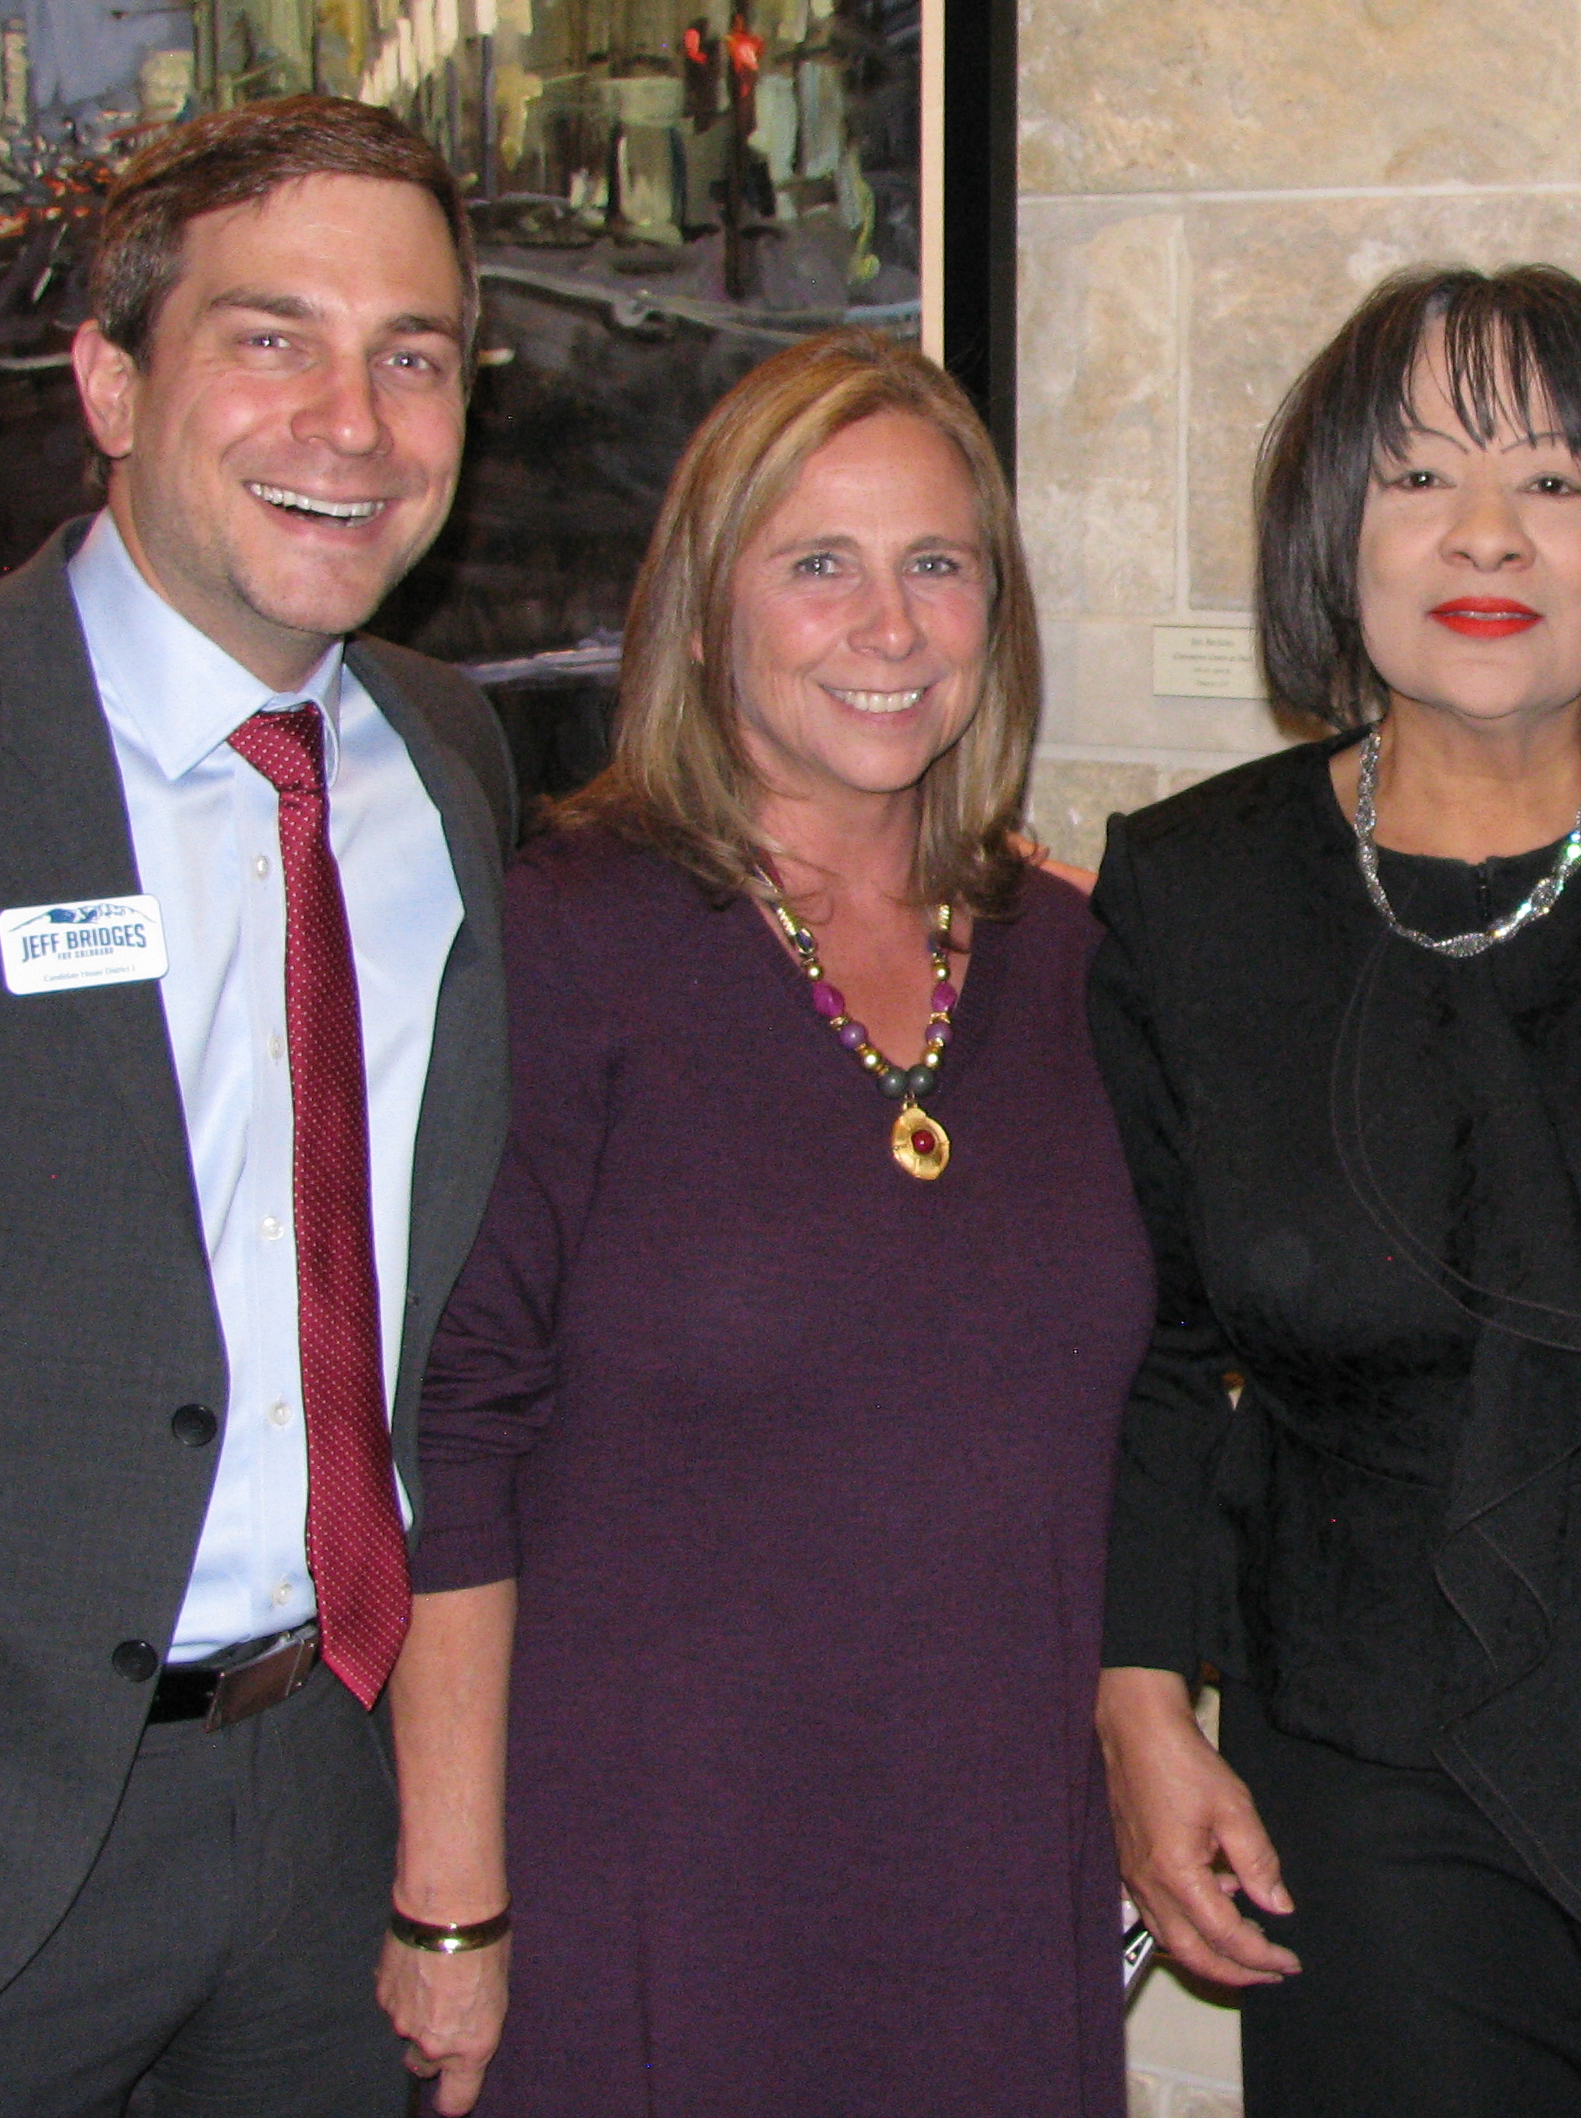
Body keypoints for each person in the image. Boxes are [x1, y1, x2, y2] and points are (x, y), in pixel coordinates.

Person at [1090, 266, 1581, 2118]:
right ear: (1330, 543)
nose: (1488, 533)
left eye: (1560, 480)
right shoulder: (1193, 894)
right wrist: (1135, 1707)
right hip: (1353, 1752)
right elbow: (1163, 1351)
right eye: (1417, 479)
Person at [374, 330, 1153, 2115]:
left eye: (936, 565)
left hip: (991, 1884)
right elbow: (451, 1428)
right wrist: (451, 1899)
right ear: (705, 610)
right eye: (819, 564)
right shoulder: (566, 943)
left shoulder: (1071, 961)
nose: (890, 626)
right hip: (648, 1890)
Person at [0, 96, 511, 2110]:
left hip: (330, 1819)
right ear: (109, 382)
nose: (353, 420)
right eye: (270, 339)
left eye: (413, 356)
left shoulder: (454, 765)